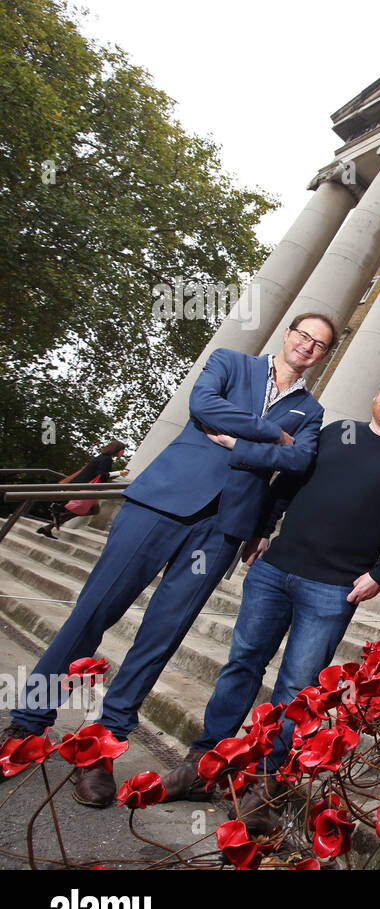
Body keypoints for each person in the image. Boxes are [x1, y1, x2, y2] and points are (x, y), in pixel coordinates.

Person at [0, 313, 338, 807]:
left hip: (222, 528)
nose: (308, 347)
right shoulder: (230, 362)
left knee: (160, 637)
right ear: (288, 335)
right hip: (158, 505)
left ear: (324, 356)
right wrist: (272, 437)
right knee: (92, 614)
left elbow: (298, 463)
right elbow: (204, 406)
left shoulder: (310, 411)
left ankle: (101, 749)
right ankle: (28, 725)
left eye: (320, 345)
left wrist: (243, 447)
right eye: (303, 336)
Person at [159, 368, 380, 833]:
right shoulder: (337, 433)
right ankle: (204, 764)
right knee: (242, 663)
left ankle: (263, 789)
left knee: (298, 690)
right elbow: (286, 484)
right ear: (377, 393)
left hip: (333, 589)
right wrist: (264, 529)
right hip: (275, 570)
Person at [36, 440, 130, 539]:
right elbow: (101, 475)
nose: (123, 453)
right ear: (117, 450)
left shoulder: (102, 457)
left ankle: (51, 524)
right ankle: (59, 514)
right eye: (122, 450)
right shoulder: (107, 459)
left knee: (93, 510)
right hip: (86, 487)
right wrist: (119, 473)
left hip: (82, 485)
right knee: (93, 510)